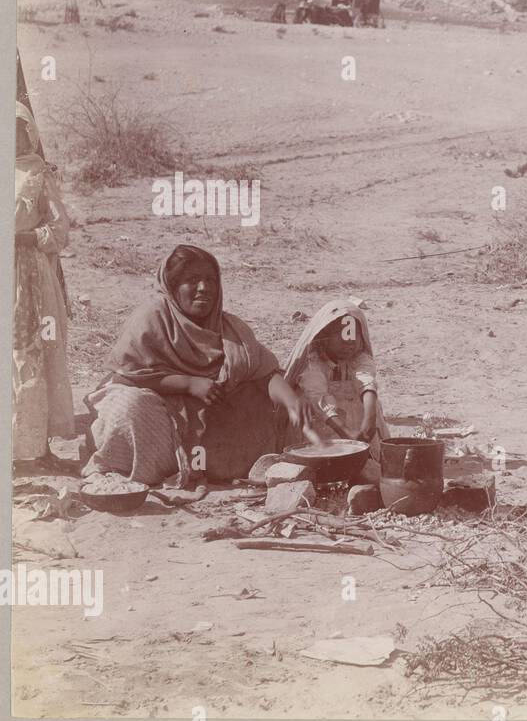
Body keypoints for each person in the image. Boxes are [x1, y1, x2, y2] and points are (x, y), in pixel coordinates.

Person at [82, 245, 313, 485]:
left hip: (210, 414)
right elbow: (128, 374)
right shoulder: (152, 317)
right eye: (192, 280)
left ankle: (221, 467)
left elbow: (264, 372)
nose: (204, 288)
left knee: (282, 395)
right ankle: (153, 465)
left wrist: (292, 402)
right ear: (172, 286)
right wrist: (187, 383)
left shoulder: (230, 328)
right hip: (158, 404)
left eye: (211, 280)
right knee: (130, 407)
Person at [13, 102, 76, 473]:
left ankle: (37, 446)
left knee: (35, 353)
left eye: (18, 129)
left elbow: (60, 230)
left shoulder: (39, 174)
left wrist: (27, 237)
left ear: (29, 133)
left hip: (31, 276)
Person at [284, 300, 388, 467]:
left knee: (370, 400)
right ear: (324, 338)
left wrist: (370, 420)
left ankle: (368, 457)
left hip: (356, 426)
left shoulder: (359, 358)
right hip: (324, 422)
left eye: (354, 340)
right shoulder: (313, 362)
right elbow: (317, 397)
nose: (348, 346)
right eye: (342, 339)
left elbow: (366, 380)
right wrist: (345, 432)